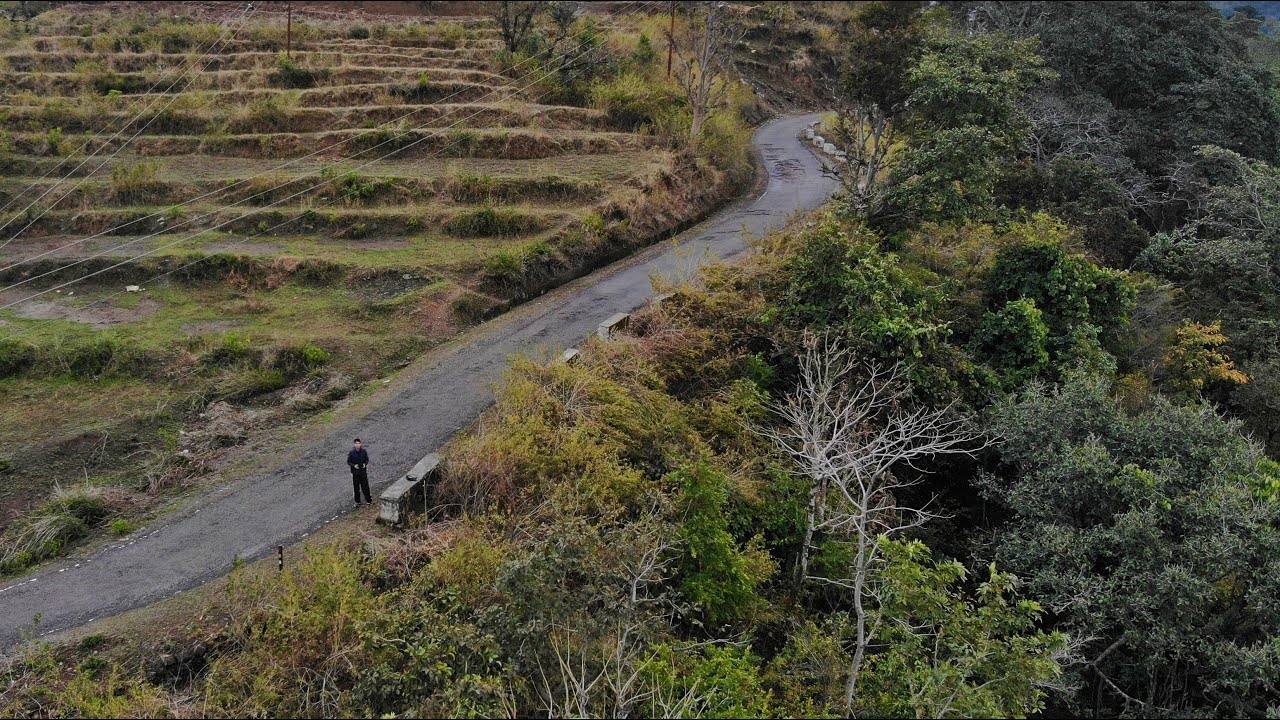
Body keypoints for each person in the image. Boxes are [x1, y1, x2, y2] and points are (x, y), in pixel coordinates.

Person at [347, 438, 372, 505]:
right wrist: (354, 466)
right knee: (356, 487)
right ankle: (357, 501)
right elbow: (349, 462)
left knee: (365, 486)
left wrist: (364, 464)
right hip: (355, 473)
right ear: (354, 445)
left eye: (359, 443)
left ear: (361, 444)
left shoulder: (364, 451)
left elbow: (367, 459)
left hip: (363, 472)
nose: (357, 445)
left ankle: (369, 500)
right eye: (356, 443)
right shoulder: (351, 453)